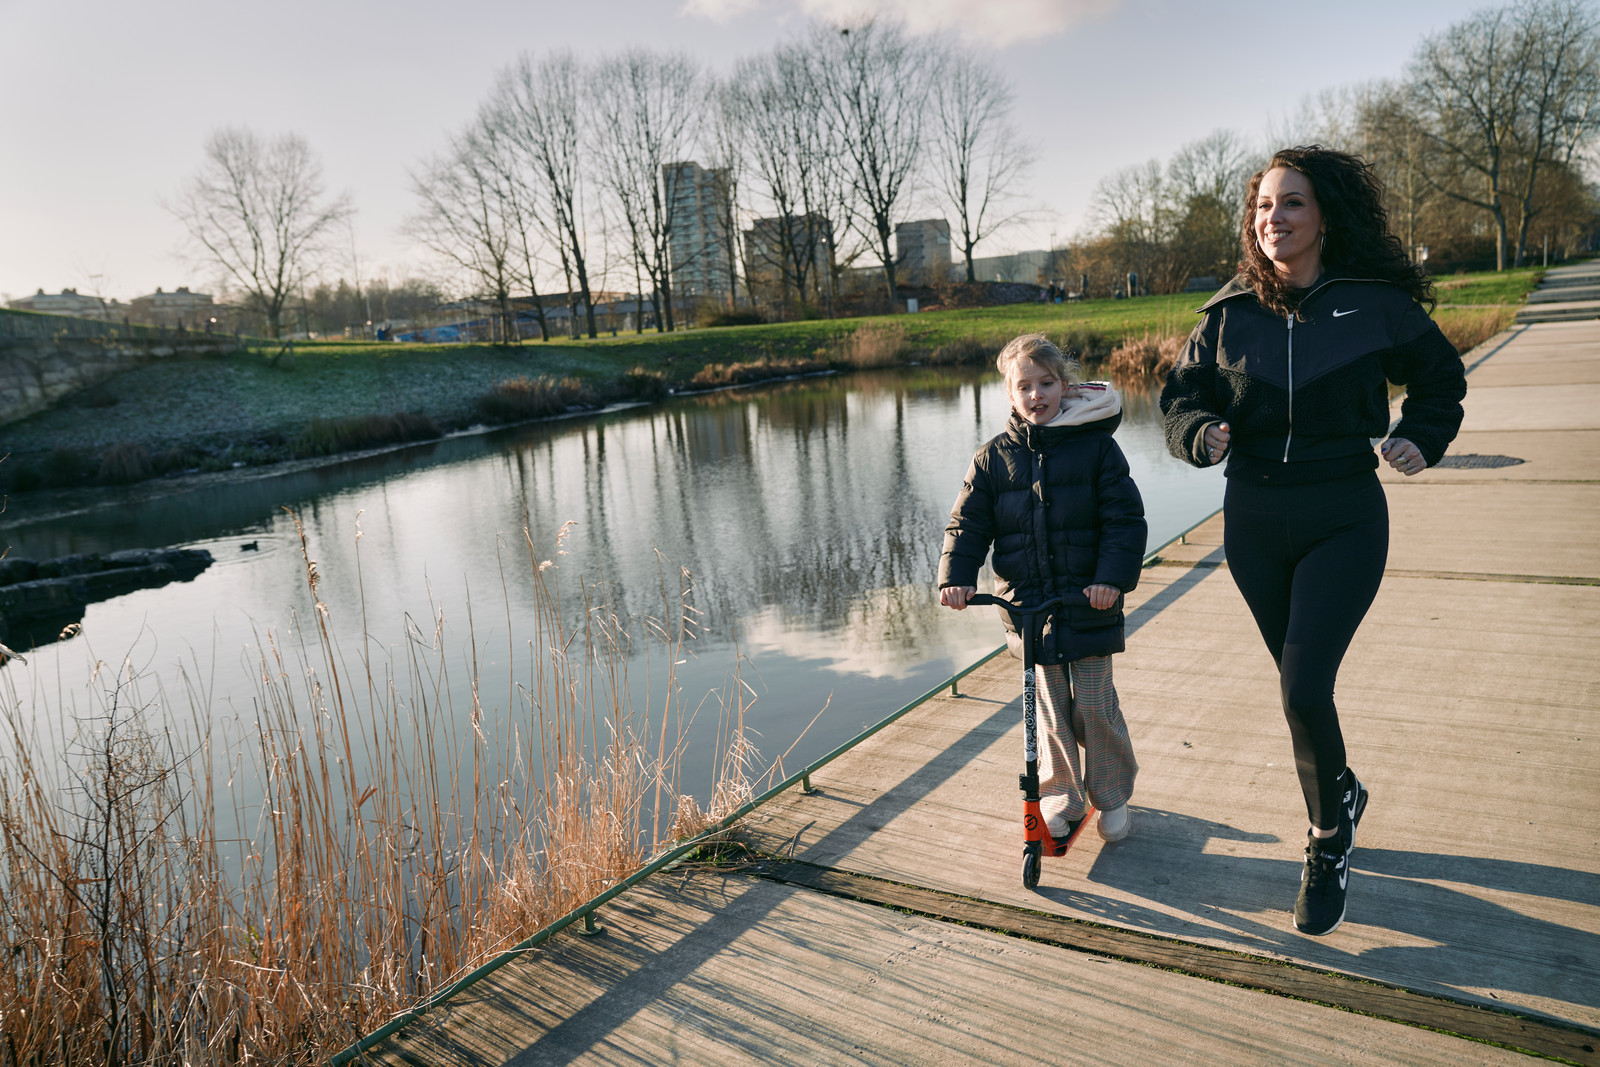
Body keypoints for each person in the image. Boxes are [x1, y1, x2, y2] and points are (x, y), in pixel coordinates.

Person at [1160, 145, 1467, 936]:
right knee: (1302, 696)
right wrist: (1200, 434)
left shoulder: (1374, 303)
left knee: (1302, 688)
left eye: (1291, 203)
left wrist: (1419, 438)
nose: (1274, 219)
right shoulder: (1226, 315)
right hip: (1254, 521)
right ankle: (1344, 788)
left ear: (1324, 213)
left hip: (1343, 514)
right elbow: (1178, 401)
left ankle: (1328, 839)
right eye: (1264, 206)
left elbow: (1440, 379)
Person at [940, 334, 1148, 845]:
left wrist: (1110, 580)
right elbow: (966, 525)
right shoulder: (992, 459)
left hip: (1088, 602)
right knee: (1052, 712)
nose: (1037, 396)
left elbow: (1124, 520)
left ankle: (1113, 794)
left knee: (1095, 708)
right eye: (1025, 386)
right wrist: (957, 579)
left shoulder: (1097, 448)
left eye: (1047, 384)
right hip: (1030, 608)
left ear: (1065, 386)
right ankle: (1062, 798)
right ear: (1009, 394)